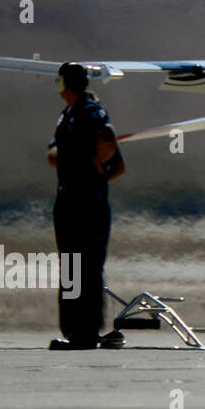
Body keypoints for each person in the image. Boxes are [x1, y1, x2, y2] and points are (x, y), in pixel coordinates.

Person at [46, 62, 126, 350]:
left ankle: (86, 333)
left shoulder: (89, 111)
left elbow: (110, 142)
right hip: (68, 201)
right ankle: (73, 331)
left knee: (87, 267)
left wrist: (92, 176)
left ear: (66, 84)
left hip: (86, 203)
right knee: (71, 266)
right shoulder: (68, 114)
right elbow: (55, 151)